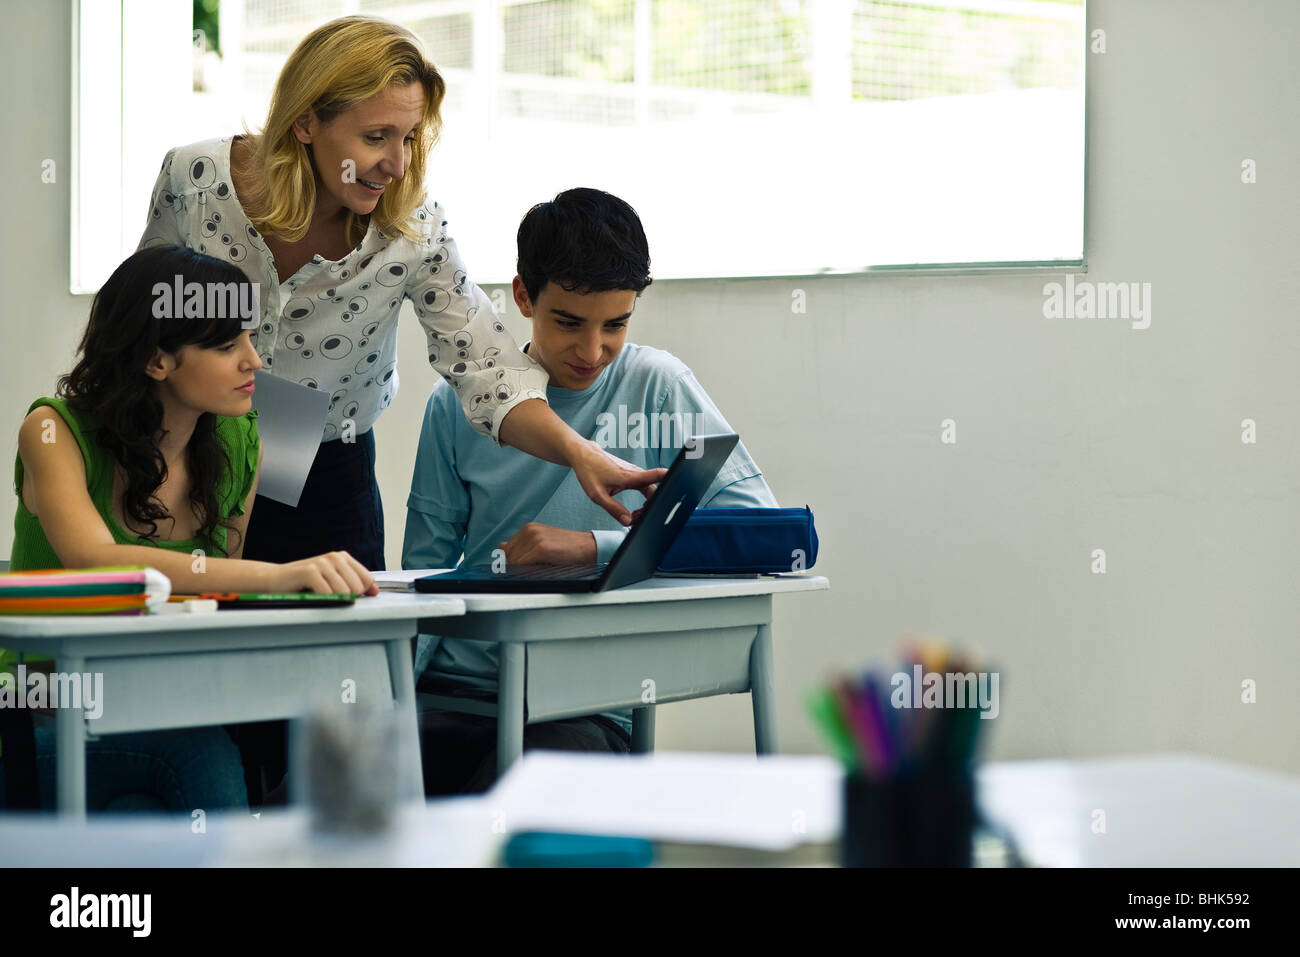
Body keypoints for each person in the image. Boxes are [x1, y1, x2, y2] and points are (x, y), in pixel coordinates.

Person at [137, 14, 663, 573]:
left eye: (409, 137)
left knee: (338, 655)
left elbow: (487, 367)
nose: (398, 163)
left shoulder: (414, 226)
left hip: (326, 473)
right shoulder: (194, 180)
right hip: (183, 457)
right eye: (375, 137)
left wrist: (583, 456)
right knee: (183, 644)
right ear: (307, 121)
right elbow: (137, 323)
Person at [402, 188, 778, 795]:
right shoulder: (456, 405)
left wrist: (595, 549)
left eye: (617, 324)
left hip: (584, 704)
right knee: (325, 806)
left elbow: (764, 538)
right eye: (569, 322)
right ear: (523, 296)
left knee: (502, 813)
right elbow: (424, 570)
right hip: (453, 693)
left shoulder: (659, 387)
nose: (593, 349)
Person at [2, 245, 369, 811]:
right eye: (227, 346)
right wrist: (275, 577)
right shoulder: (51, 429)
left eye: (248, 338)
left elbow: (214, 595)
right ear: (157, 361)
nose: (254, 361)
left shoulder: (241, 436)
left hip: (154, 702)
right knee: (199, 757)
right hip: (32, 713)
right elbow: (95, 562)